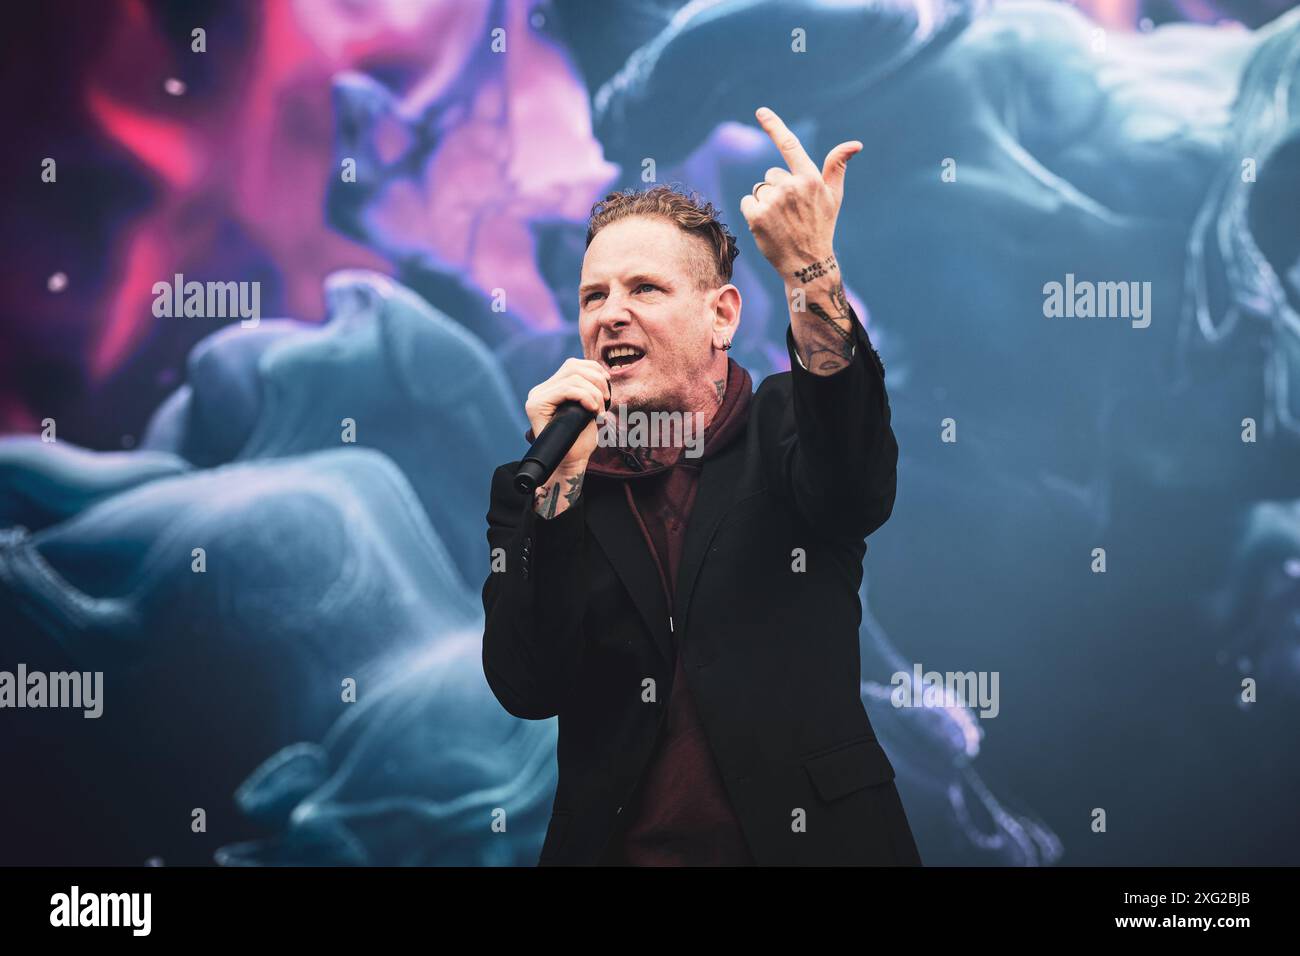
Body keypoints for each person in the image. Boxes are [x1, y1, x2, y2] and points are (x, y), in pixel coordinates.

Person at [482, 107, 919, 865]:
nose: (611, 314)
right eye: (593, 297)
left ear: (722, 316)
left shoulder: (787, 426)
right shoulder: (547, 477)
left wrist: (810, 267)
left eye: (644, 289)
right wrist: (558, 493)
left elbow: (857, 488)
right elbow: (529, 684)